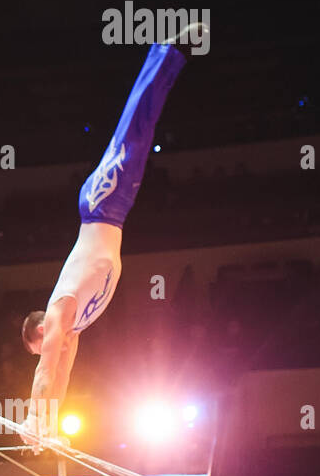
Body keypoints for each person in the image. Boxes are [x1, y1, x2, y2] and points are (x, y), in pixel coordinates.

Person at [20, 30, 198, 446]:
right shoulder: (75, 331)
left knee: (137, 125)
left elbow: (45, 370)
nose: (53, 349)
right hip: (110, 209)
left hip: (101, 203)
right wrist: (50, 429)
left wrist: (31, 418)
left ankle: (167, 49)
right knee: (139, 129)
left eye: (42, 346)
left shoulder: (60, 313)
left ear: (40, 331)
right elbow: (60, 374)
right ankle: (168, 55)